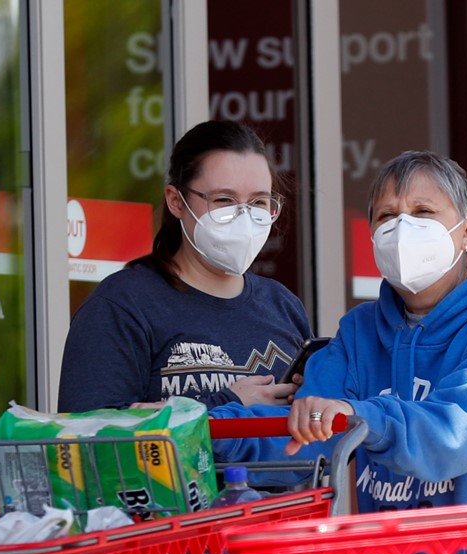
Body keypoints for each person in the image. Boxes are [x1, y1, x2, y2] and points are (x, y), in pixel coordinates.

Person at [212, 150, 467, 512]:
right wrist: (202, 432)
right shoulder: (360, 333)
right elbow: (300, 438)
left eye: (423, 211)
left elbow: (453, 436)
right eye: (387, 216)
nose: (402, 227)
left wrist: (361, 416)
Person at [58, 120, 312, 412]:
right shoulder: (123, 305)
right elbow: (87, 433)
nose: (244, 216)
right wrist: (226, 405)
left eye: (258, 201)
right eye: (224, 199)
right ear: (176, 201)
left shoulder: (283, 306)